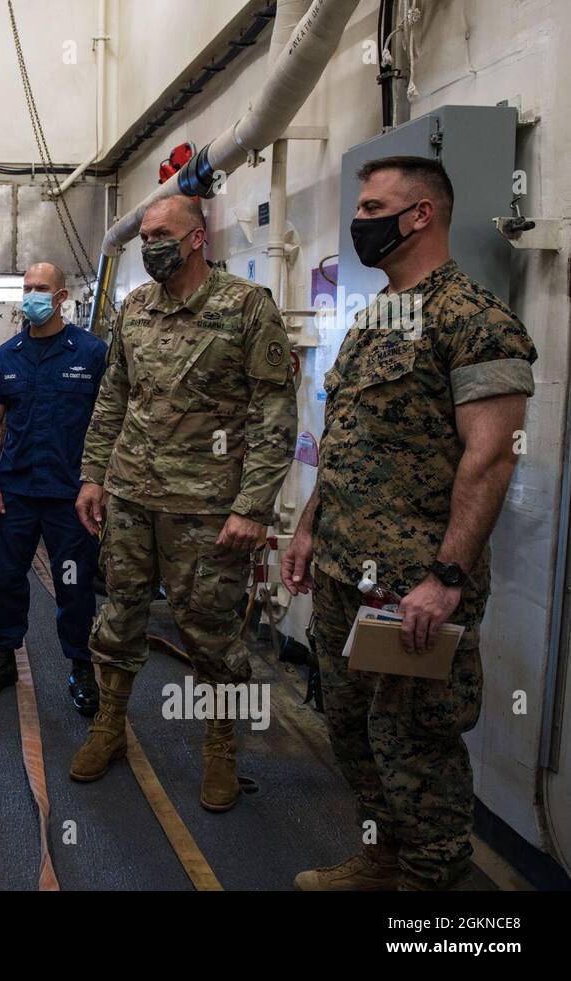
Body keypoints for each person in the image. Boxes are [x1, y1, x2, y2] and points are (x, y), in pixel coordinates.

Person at [283, 156, 537, 891]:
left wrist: (446, 578)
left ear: (420, 215)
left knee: (415, 748)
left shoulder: (476, 320)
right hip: (340, 570)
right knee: (355, 733)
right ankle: (382, 856)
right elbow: (343, 445)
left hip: (410, 590)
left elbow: (491, 459)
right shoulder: (375, 320)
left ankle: (429, 891)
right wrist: (306, 529)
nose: (360, 222)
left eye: (372, 207)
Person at [72, 195, 297, 813]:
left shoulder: (246, 307)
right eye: (144, 236)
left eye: (162, 235)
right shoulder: (134, 308)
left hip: (206, 509)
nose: (150, 246)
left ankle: (220, 750)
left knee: (211, 634)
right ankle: (109, 727)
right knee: (119, 616)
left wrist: (253, 507)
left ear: (197, 238)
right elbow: (113, 397)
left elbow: (274, 411)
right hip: (130, 495)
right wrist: (93, 476)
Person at [0, 261, 107, 714]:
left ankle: (80, 664)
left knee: (74, 584)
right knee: (6, 578)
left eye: (41, 288)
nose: (32, 295)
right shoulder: (7, 355)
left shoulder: (90, 354)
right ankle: (3, 655)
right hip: (16, 491)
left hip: (71, 496)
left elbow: (109, 422)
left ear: (62, 296)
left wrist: (99, 483)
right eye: (27, 288)